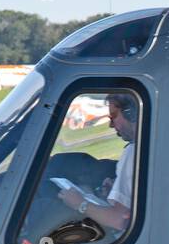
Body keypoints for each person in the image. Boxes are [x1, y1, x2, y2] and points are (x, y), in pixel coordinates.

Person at [57, 93, 138, 233]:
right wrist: (118, 193)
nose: (111, 124)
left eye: (114, 116)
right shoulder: (155, 145)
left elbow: (120, 220)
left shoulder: (134, 152)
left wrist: (80, 203)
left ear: (131, 114)